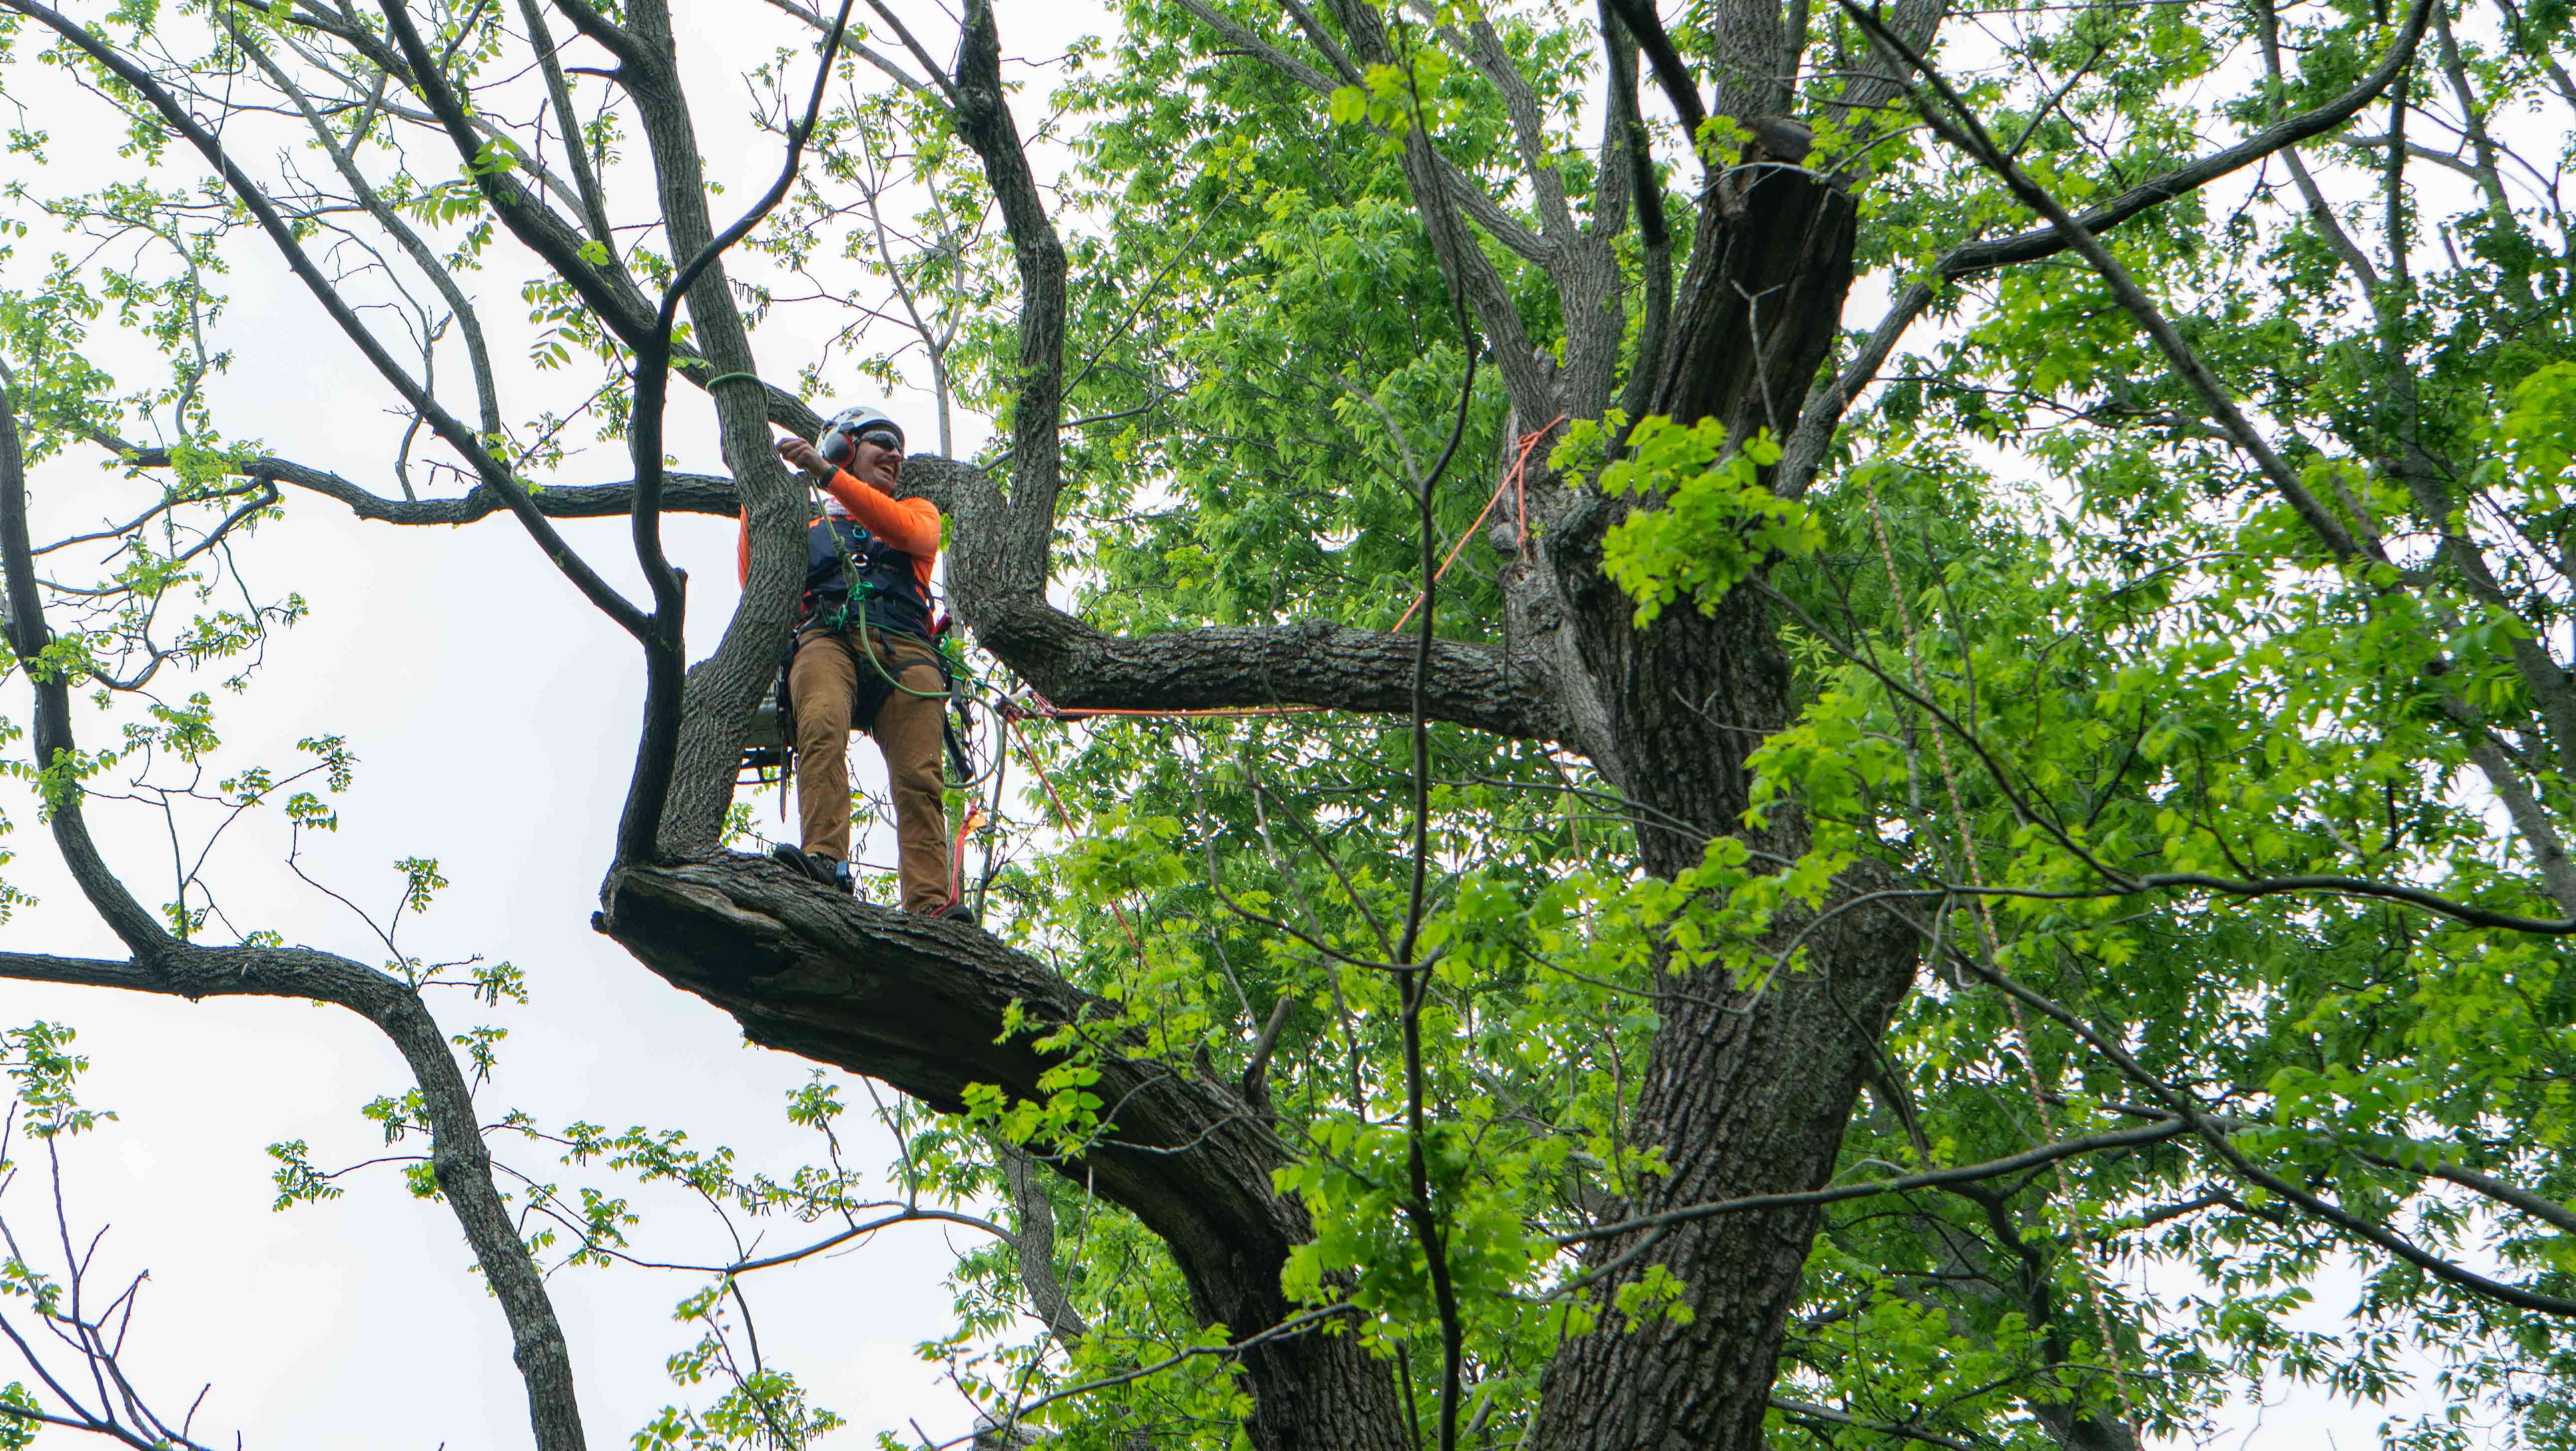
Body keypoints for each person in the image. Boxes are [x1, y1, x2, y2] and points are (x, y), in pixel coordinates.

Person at [740, 403, 973, 923]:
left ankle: (930, 901)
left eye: (898, 448)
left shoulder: (917, 509)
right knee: (820, 726)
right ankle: (825, 860)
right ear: (844, 446)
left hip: (906, 649)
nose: (894, 454)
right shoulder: (800, 517)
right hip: (827, 636)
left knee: (919, 775)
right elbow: (756, 579)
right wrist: (758, 498)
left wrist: (825, 475)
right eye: (880, 442)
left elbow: (911, 536)